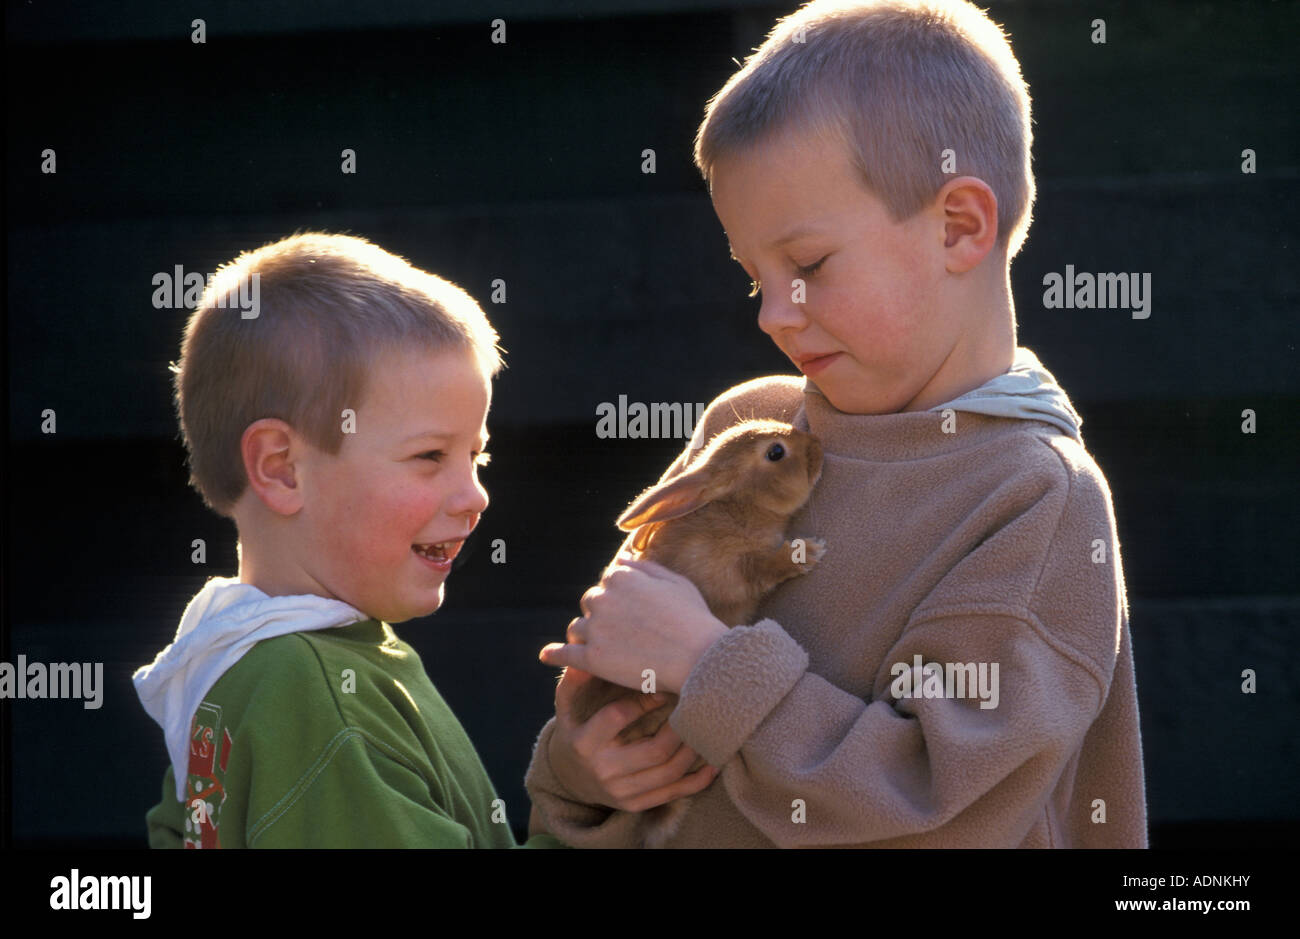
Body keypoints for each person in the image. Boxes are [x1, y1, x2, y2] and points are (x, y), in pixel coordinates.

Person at [528, 0, 1147, 848]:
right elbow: (618, 687)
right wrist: (581, 768)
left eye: (809, 265)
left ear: (961, 225)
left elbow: (943, 809)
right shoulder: (749, 425)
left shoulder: (1036, 499)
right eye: (754, 278)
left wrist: (715, 669)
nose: (774, 315)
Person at [134, 232, 563, 847]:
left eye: (477, 456)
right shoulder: (319, 698)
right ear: (282, 467)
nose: (474, 495)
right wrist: (581, 807)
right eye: (430, 455)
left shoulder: (233, 664)